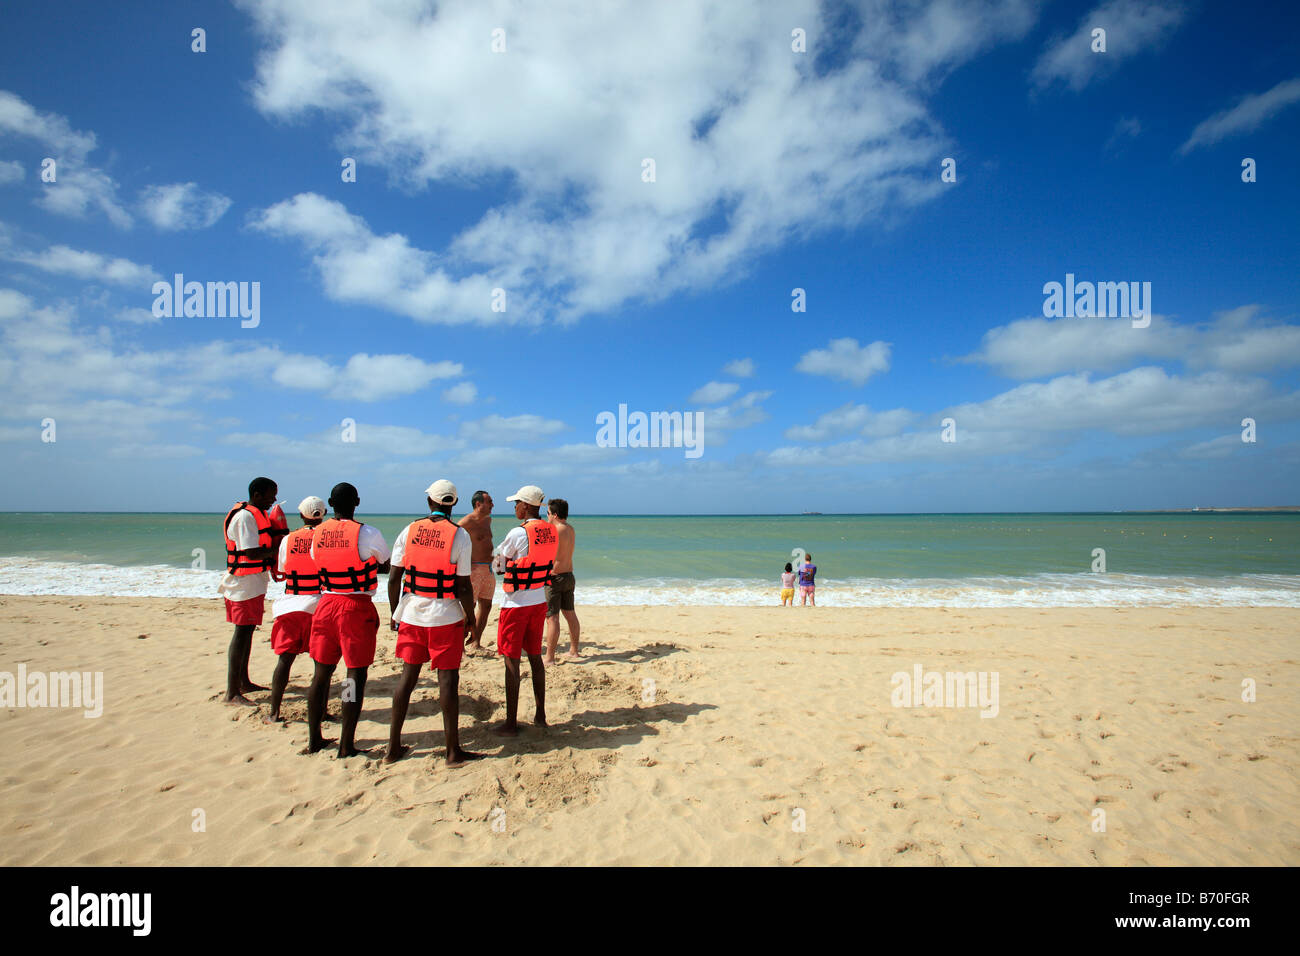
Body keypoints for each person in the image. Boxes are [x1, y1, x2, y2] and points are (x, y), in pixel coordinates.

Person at [385, 480, 482, 767]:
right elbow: (463, 586)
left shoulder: (410, 529)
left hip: (413, 613)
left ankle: (392, 748)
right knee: (448, 681)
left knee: (407, 679)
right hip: (446, 616)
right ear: (453, 504)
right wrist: (472, 618)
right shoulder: (459, 536)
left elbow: (393, 578)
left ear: (430, 502)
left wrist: (395, 613)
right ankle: (453, 752)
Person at [305, 482, 391, 757]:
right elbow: (386, 564)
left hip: (326, 603)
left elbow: (317, 560)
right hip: (355, 606)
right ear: (357, 502)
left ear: (330, 503)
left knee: (321, 675)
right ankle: (346, 744)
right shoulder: (368, 533)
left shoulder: (317, 533)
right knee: (354, 675)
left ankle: (314, 739)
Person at [491, 485, 556, 736]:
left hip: (515, 605)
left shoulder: (518, 533)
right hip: (538, 601)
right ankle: (540, 714)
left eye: (516, 503)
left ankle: (511, 722)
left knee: (511, 660)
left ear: (526, 505)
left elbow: (498, 567)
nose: (515, 507)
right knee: (535, 657)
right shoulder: (550, 531)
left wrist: (500, 562)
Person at [265, 496, 327, 723]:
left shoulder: (288, 540)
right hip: (319, 605)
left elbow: (282, 568)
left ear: (301, 515)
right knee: (321, 664)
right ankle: (321, 712)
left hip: (290, 603)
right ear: (324, 514)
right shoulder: (325, 538)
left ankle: (274, 712)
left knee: (285, 660)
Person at [219, 477, 278, 705]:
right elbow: (251, 553)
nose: (273, 500)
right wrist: (279, 547)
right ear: (257, 494)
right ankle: (232, 692)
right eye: (271, 495)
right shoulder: (245, 517)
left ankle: (244, 681)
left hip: (252, 583)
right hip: (242, 584)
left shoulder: (254, 514)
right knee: (241, 633)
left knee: (248, 631)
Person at [542, 497, 581, 665]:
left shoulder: (554, 530)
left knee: (552, 618)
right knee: (570, 614)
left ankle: (550, 657)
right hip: (569, 576)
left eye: (548, 513)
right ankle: (574, 651)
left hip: (555, 577)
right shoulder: (570, 529)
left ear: (555, 514)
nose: (547, 516)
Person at [458, 490, 495, 653]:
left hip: (488, 568)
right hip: (473, 569)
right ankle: (459, 646)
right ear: (478, 504)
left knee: (486, 605)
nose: (493, 505)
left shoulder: (488, 520)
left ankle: (476, 642)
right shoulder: (465, 522)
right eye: (490, 502)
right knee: (469, 607)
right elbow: (454, 542)